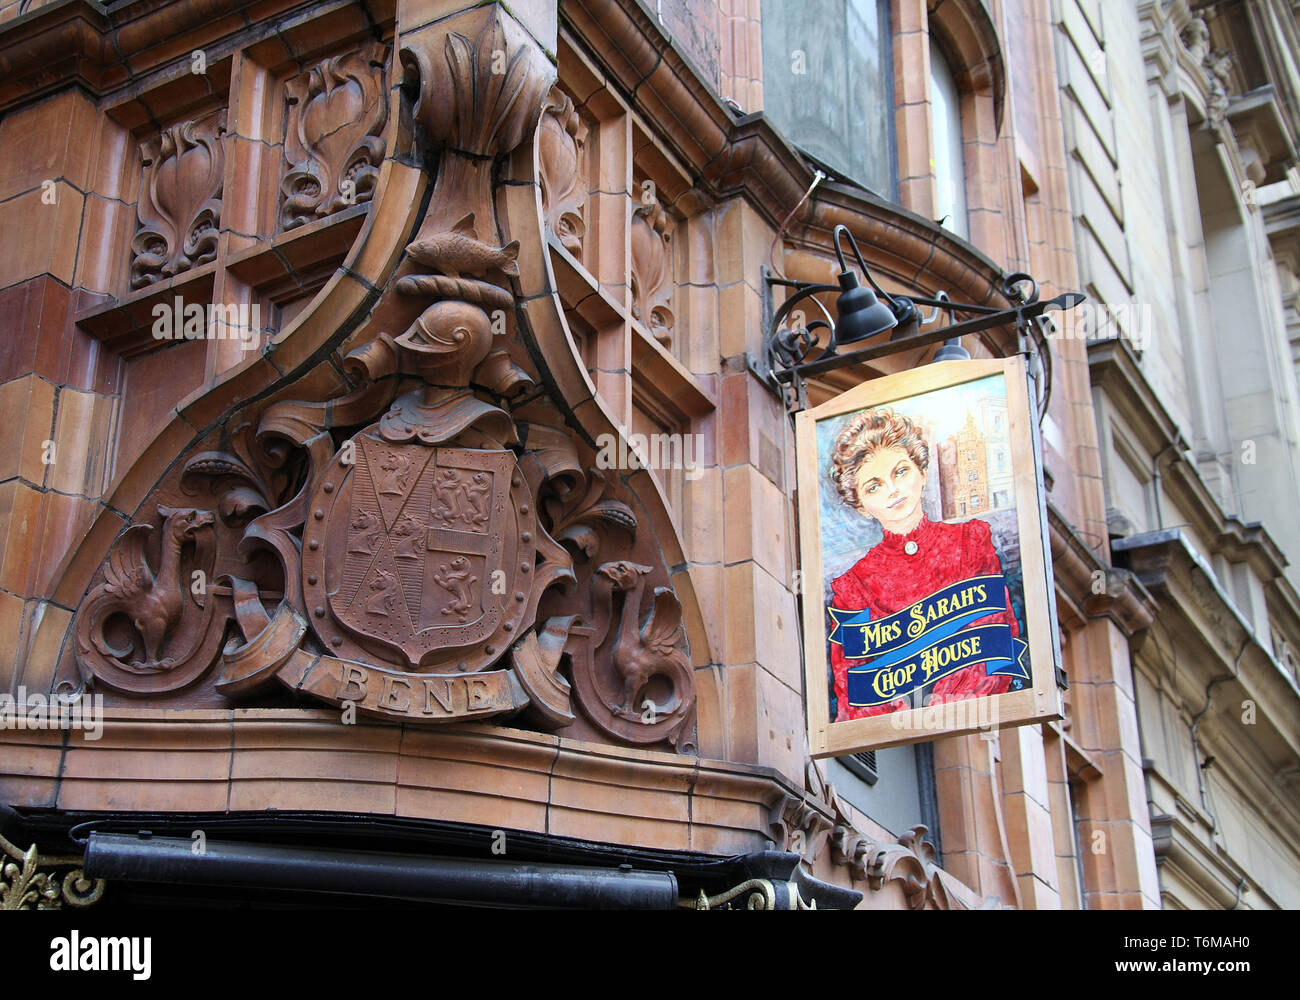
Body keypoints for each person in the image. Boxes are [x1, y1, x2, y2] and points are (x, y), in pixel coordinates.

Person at [826, 407, 1019, 722]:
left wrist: (945, 709)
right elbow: (853, 690)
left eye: (900, 471)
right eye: (873, 486)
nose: (893, 490)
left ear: (922, 472)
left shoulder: (970, 542)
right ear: (861, 506)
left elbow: (998, 636)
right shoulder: (853, 585)